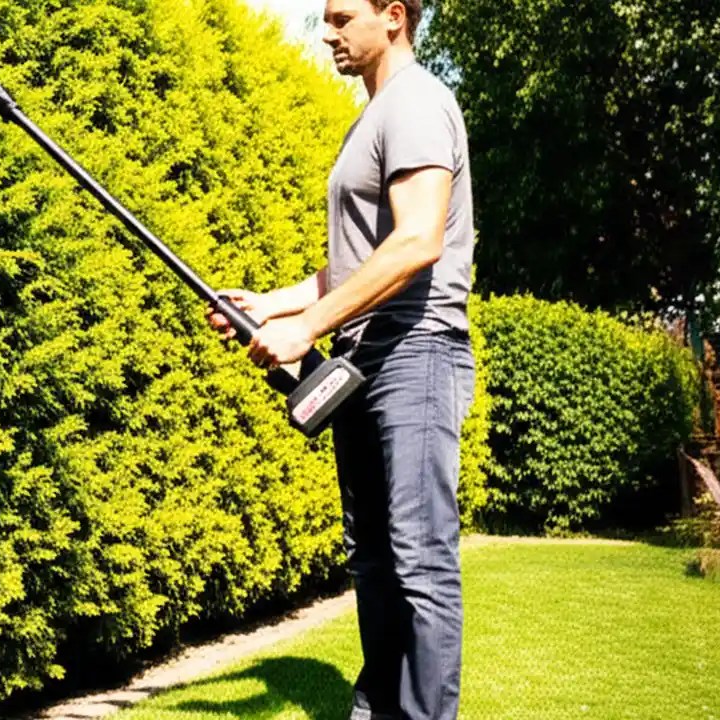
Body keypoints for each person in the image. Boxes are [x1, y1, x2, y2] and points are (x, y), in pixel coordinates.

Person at [207, 1, 475, 718]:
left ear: (393, 16)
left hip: (414, 353)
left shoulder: (416, 102)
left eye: (340, 16)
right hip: (367, 357)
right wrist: (271, 306)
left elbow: (417, 242)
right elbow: (353, 265)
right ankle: (380, 709)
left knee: (419, 557)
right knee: (376, 558)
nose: (325, 32)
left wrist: (309, 330)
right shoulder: (371, 118)